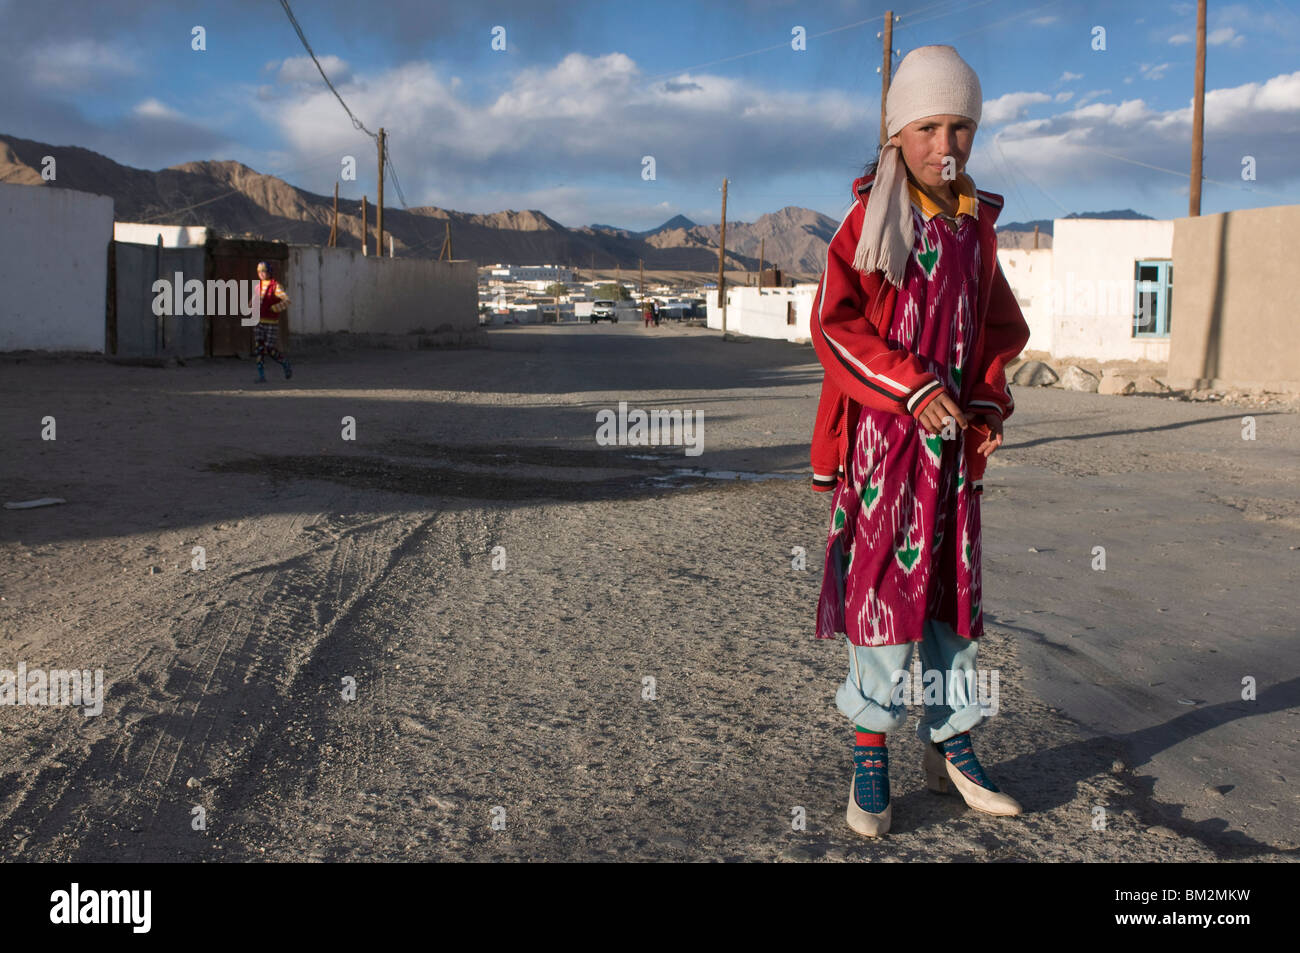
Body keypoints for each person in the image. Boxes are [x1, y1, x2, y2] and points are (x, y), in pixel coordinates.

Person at [808, 45, 1031, 838]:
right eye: (930, 126)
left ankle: (951, 743)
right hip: (887, 448)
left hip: (952, 456)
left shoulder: (976, 225)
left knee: (952, 601)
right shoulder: (870, 219)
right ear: (899, 131)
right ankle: (871, 748)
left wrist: (983, 409)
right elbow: (834, 325)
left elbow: (1000, 328)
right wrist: (914, 387)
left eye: (961, 127)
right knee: (884, 599)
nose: (948, 144)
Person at [252, 261, 292, 382]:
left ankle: (284, 363)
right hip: (258, 320)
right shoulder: (257, 286)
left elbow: (287, 300)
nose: (262, 274)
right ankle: (261, 375)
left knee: (269, 348)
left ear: (269, 272)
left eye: (264, 271)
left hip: (271, 322)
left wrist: (275, 308)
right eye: (259, 271)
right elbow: (255, 299)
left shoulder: (276, 286)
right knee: (259, 347)